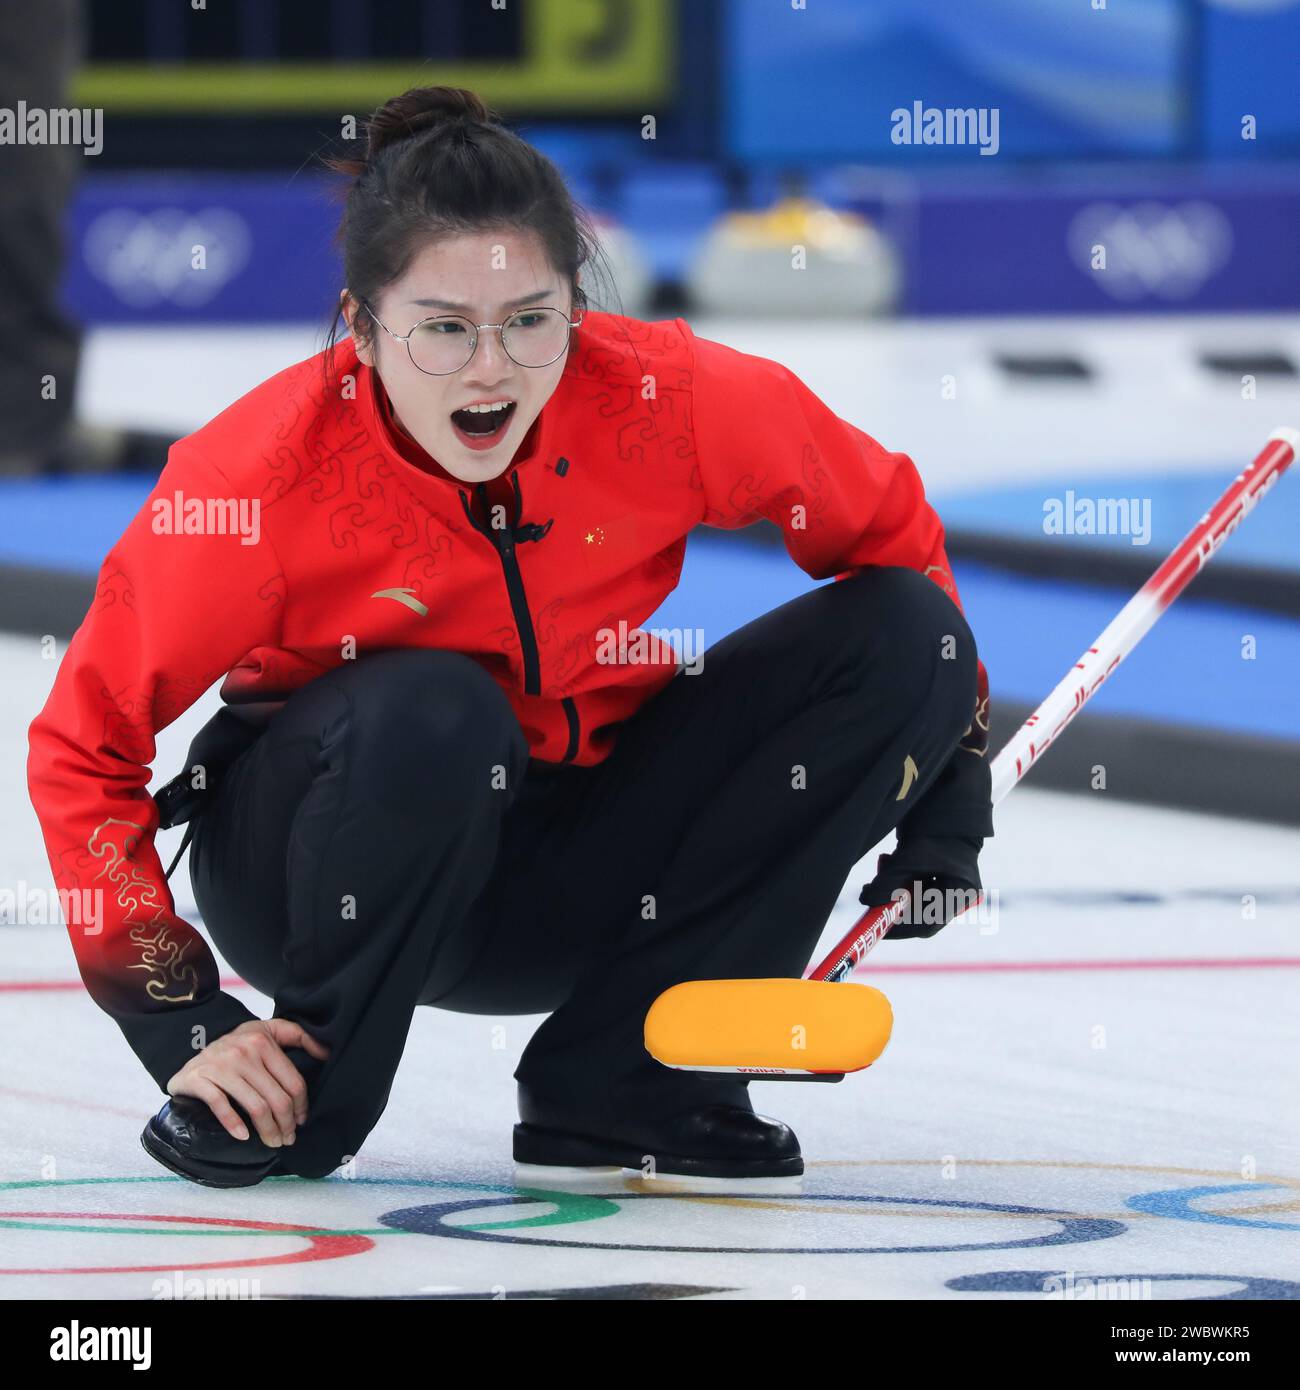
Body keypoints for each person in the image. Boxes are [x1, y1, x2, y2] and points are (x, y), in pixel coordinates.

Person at [26, 86, 993, 1188]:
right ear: (362, 324)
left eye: (531, 320)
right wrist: (181, 1019)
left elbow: (893, 536)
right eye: (442, 329)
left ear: (577, 304)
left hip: (574, 863)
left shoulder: (660, 394)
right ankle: (296, 1095)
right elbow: (81, 745)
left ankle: (632, 1085)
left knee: (908, 633)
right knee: (440, 707)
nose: (491, 367)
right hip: (324, 857)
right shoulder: (253, 480)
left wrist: (950, 783)